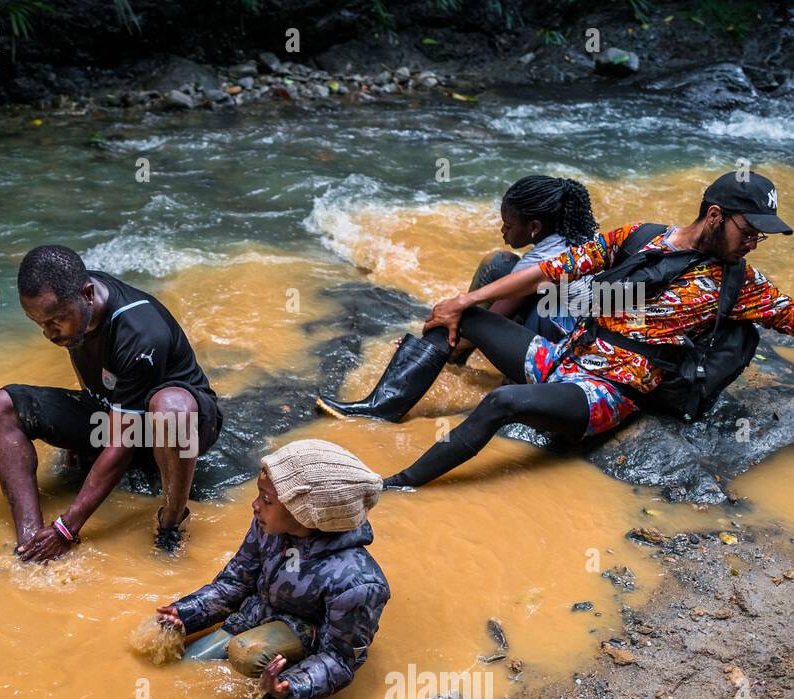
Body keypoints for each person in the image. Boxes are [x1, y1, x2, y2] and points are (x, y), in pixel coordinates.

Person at [313, 170, 792, 489]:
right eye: (748, 230)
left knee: (502, 401)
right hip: (561, 357)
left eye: (760, 235)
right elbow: (553, 271)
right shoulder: (641, 236)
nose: (754, 242)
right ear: (714, 215)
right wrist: (466, 298)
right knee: (463, 316)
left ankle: (398, 484)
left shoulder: (743, 284)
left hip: (606, 394)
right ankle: (381, 410)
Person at [0, 245, 223, 560]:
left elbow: (124, 441)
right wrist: (76, 435)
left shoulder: (140, 331)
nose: (47, 333)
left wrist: (67, 528)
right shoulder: (73, 301)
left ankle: (171, 520)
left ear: (87, 294)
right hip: (119, 415)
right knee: (1, 405)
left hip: (173, 428)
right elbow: (93, 366)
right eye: (38, 323)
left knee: (171, 407)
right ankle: (30, 544)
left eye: (54, 321)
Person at [156, 439, 390, 699]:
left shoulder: (358, 583)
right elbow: (234, 583)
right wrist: (185, 613)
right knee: (182, 673)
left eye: (266, 500)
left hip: (299, 637)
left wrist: (290, 687)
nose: (255, 505)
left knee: (245, 654)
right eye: (259, 494)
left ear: (305, 514)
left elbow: (340, 658)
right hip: (255, 615)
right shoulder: (268, 527)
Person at [447, 175, 600, 364]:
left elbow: (489, 320)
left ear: (534, 227)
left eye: (508, 226)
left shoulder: (541, 260)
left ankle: (456, 358)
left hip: (567, 347)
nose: (503, 231)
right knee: (499, 263)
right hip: (587, 325)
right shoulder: (582, 234)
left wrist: (446, 340)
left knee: (479, 320)